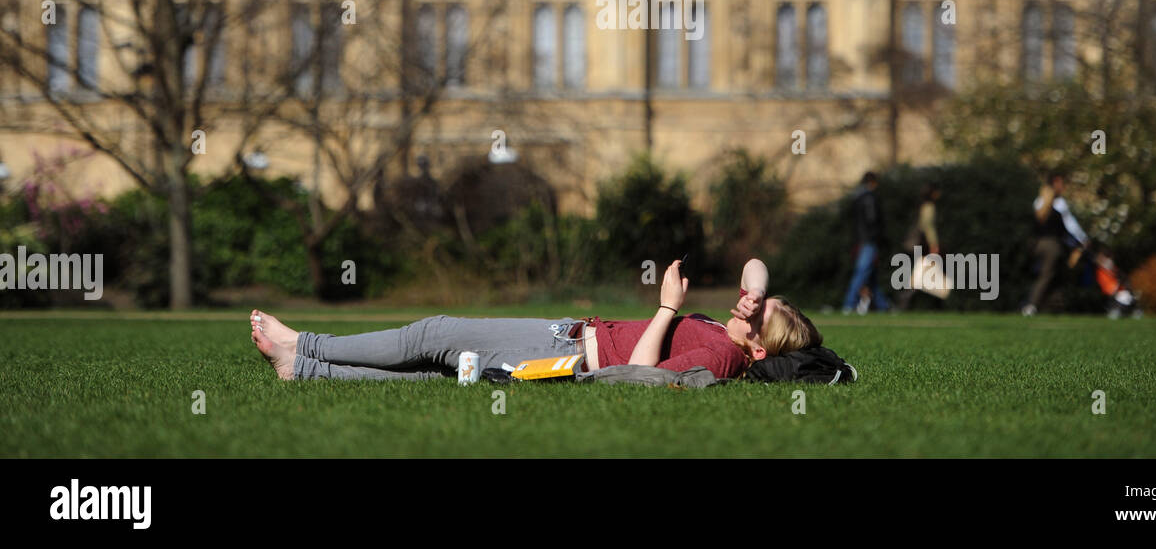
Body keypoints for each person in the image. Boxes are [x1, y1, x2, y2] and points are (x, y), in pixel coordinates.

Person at [250, 257, 822, 382]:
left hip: (569, 351)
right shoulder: (731, 332)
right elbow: (756, 265)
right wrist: (758, 293)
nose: (748, 303)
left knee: (434, 337)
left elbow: (645, 375)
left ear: (761, 348)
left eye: (759, 313)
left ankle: (304, 343)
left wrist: (668, 307)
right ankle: (304, 371)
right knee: (437, 375)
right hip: (568, 340)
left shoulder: (723, 355)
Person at [1022, 170, 1090, 316]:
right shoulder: (1052, 202)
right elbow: (1067, 225)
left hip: (1049, 244)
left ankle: (1054, 306)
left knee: (1055, 275)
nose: (1063, 186)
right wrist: (1082, 239)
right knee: (1048, 274)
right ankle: (1031, 305)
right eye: (1061, 183)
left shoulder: (1050, 202)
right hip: (1050, 244)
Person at [841, 171, 891, 314]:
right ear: (873, 182)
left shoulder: (857, 197)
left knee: (872, 275)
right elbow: (872, 220)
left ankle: (883, 306)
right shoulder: (869, 198)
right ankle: (849, 304)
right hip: (869, 240)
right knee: (862, 273)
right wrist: (878, 236)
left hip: (861, 240)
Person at [896, 182, 941, 311]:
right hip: (920, 244)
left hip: (913, 243)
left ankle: (904, 301)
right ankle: (904, 301)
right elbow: (927, 226)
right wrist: (934, 244)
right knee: (920, 275)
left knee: (918, 274)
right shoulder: (929, 207)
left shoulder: (920, 205)